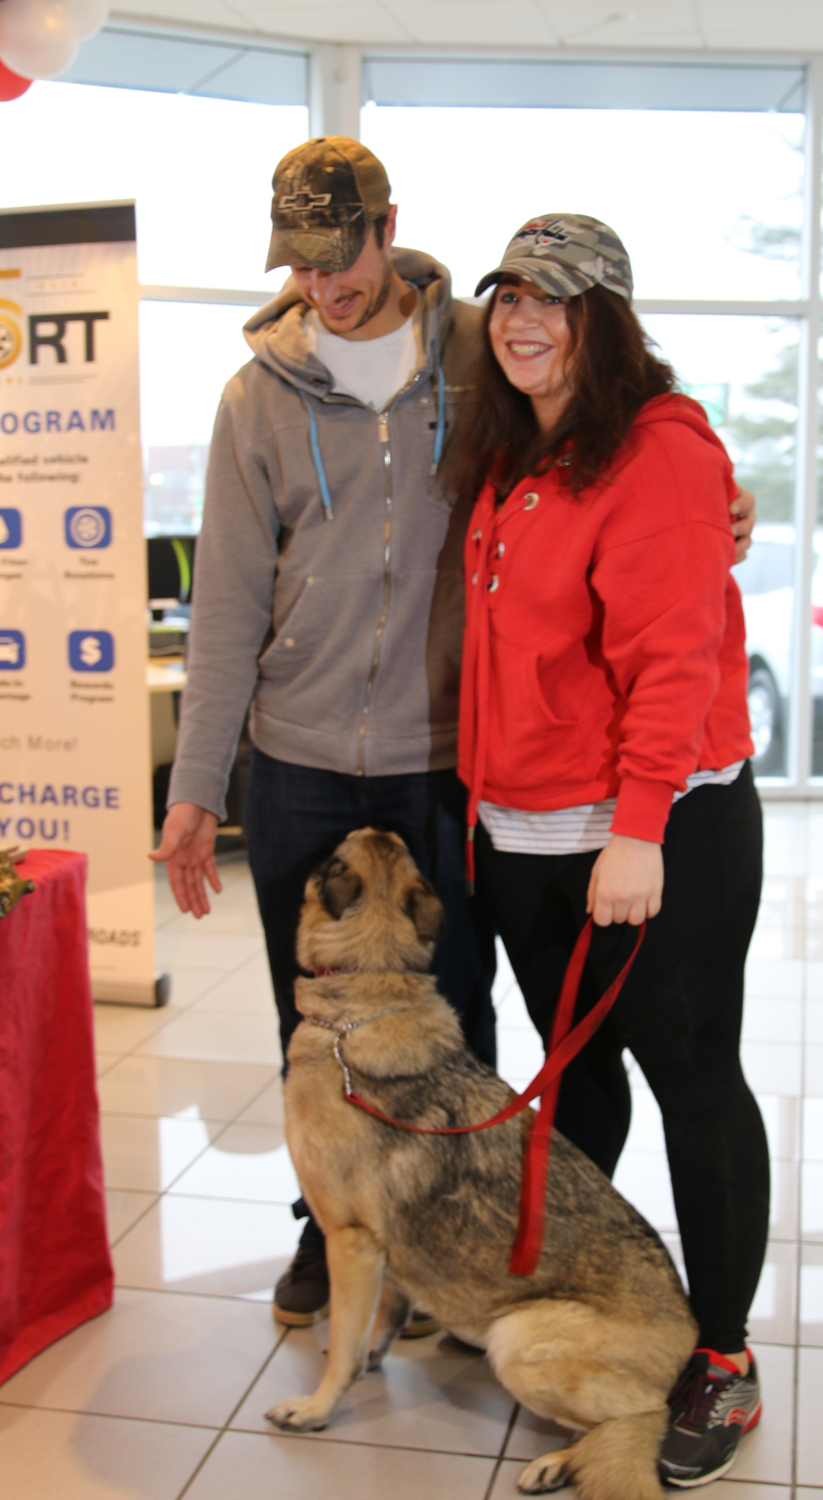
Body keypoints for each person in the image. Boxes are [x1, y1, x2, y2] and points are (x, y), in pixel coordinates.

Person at [150, 139, 758, 1333]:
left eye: (344, 253)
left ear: (389, 226)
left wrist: (722, 500)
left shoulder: (482, 353)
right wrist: (195, 784)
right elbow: (222, 604)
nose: (328, 283)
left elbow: (639, 427)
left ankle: (465, 1246)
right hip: (315, 758)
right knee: (318, 1025)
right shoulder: (255, 397)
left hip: (453, 764)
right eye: (302, 264)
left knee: (463, 1024)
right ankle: (331, 1232)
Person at [449, 215, 769, 1488]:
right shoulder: (514, 446)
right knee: (577, 1082)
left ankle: (725, 1360)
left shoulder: (659, 450)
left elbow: (677, 660)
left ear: (610, 318)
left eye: (557, 302)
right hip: (526, 830)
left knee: (692, 1081)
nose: (525, 320)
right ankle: (596, 1300)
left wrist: (637, 829)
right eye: (509, 297)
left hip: (653, 827)